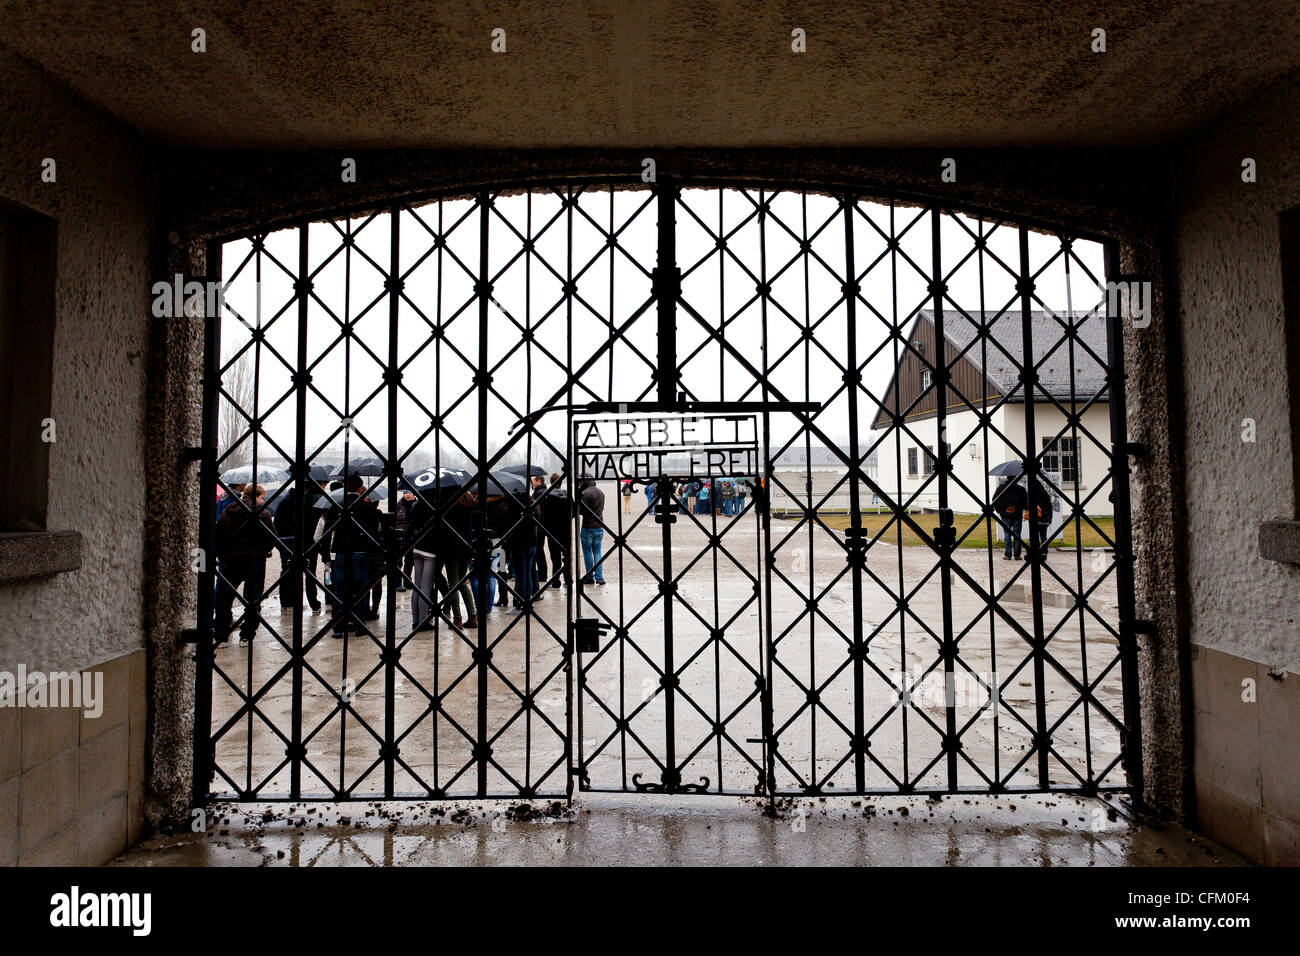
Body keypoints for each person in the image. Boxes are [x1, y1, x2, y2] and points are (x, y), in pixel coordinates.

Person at [213, 484, 278, 645]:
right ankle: (247, 635)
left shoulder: (228, 512)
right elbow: (272, 538)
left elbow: (218, 534)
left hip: (230, 559)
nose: (263, 501)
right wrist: (263, 550)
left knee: (224, 598)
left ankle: (221, 635)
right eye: (261, 497)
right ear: (256, 496)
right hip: (254, 560)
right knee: (253, 600)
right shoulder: (263, 514)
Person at [319, 474, 382, 637]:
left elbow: (326, 532)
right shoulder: (367, 508)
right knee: (360, 592)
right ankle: (360, 626)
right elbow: (374, 533)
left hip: (340, 552)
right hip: (361, 553)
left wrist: (325, 555)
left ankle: (339, 628)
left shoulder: (336, 507)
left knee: (340, 592)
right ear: (360, 488)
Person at [273, 483, 323, 613]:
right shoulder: (308, 499)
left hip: (289, 541)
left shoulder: (289, 500)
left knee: (289, 570)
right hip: (302, 541)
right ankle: (312, 603)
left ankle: (289, 602)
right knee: (309, 572)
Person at [438, 491, 478, 629]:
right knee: (461, 581)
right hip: (466, 545)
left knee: (453, 583)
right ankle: (472, 616)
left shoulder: (451, 503)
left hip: (451, 546)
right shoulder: (470, 502)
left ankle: (457, 619)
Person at [404, 491, 440, 632]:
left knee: (417, 586)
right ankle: (423, 621)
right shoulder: (434, 508)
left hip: (417, 549)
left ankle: (415, 620)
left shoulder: (416, 506)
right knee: (426, 587)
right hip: (430, 550)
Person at [505, 488, 541, 609]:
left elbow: (509, 523)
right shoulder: (533, 504)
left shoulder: (514, 506)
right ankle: (527, 598)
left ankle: (521, 599)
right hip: (532, 542)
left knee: (521, 574)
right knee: (527, 572)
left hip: (519, 543)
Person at [541, 477, 571, 588]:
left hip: (552, 532)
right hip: (565, 531)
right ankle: (568, 580)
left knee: (555, 559)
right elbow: (572, 513)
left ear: (551, 482)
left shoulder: (548, 498)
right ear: (561, 482)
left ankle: (555, 581)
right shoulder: (567, 495)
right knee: (567, 557)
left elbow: (544, 517)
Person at [578, 479, 606, 585]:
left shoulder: (586, 493)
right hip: (599, 525)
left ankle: (589, 576)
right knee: (597, 551)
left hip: (588, 525)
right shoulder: (601, 493)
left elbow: (582, 511)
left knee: (587, 552)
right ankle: (599, 577)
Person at [992, 476, 1026, 561]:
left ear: (1007, 478)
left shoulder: (1001, 488)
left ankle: (1008, 554)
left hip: (1005, 514)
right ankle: (1017, 554)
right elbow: (1025, 501)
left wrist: (999, 510)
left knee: (1007, 533)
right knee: (1017, 534)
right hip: (1017, 514)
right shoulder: (1020, 489)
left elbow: (995, 500)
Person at [394, 490, 416, 591]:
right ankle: (397, 583)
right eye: (405, 492)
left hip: (412, 537)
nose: (407, 494)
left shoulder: (417, 505)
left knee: (409, 561)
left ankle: (407, 582)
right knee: (398, 561)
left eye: (410, 492)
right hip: (400, 536)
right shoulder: (398, 505)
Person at [1027, 478, 1053, 562]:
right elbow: (1050, 508)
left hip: (1035, 518)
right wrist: (1050, 519)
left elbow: (1028, 506)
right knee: (1043, 536)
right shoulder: (1045, 494)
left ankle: (1035, 551)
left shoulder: (1032, 495)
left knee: (1034, 536)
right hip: (1044, 518)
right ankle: (1044, 552)